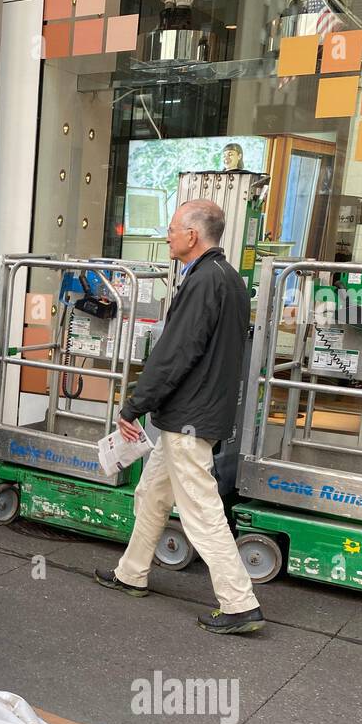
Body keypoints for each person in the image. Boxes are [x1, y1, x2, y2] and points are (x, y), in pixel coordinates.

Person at [95, 199, 265, 635]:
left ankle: (240, 603)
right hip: (196, 413)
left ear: (192, 235)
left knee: (202, 511)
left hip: (189, 417)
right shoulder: (228, 278)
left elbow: (175, 353)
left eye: (172, 228)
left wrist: (134, 404)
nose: (166, 235)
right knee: (152, 493)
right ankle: (131, 573)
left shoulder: (204, 280)